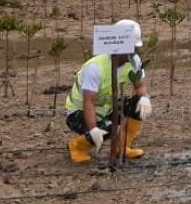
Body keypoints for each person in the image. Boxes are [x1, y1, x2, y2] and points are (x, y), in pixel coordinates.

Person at [65, 19, 153, 163]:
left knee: (138, 106)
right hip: (79, 112)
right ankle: (77, 147)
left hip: (107, 107)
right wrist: (93, 129)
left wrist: (144, 97)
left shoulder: (134, 61)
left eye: (135, 49)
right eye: (130, 48)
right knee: (108, 128)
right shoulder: (95, 68)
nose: (133, 52)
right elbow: (89, 102)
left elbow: (140, 86)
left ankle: (122, 146)